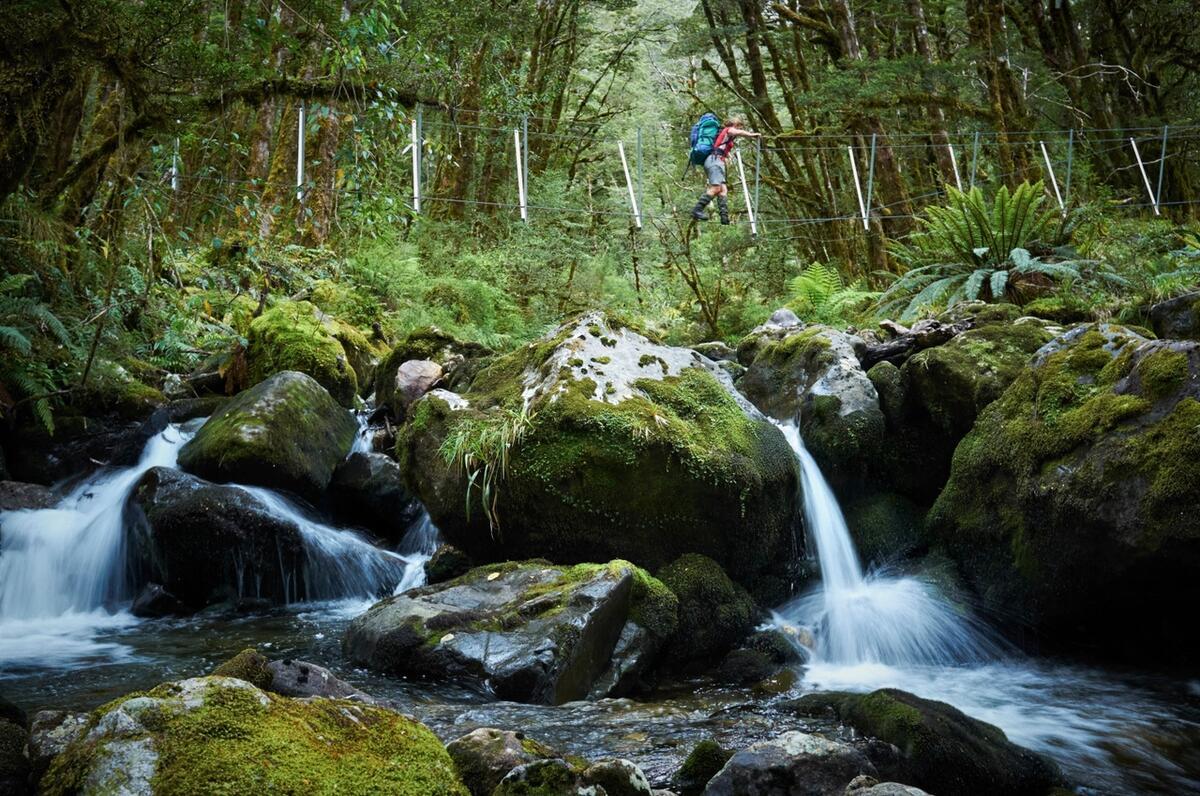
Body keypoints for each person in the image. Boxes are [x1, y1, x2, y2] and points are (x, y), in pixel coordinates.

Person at [690, 115, 762, 224]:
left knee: (723, 190)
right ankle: (697, 210)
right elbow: (737, 132)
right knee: (716, 188)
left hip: (716, 161)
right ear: (736, 125)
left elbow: (722, 147)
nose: (739, 129)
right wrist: (752, 135)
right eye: (739, 127)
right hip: (714, 161)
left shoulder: (726, 135)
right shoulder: (729, 130)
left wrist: (727, 157)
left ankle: (724, 218)